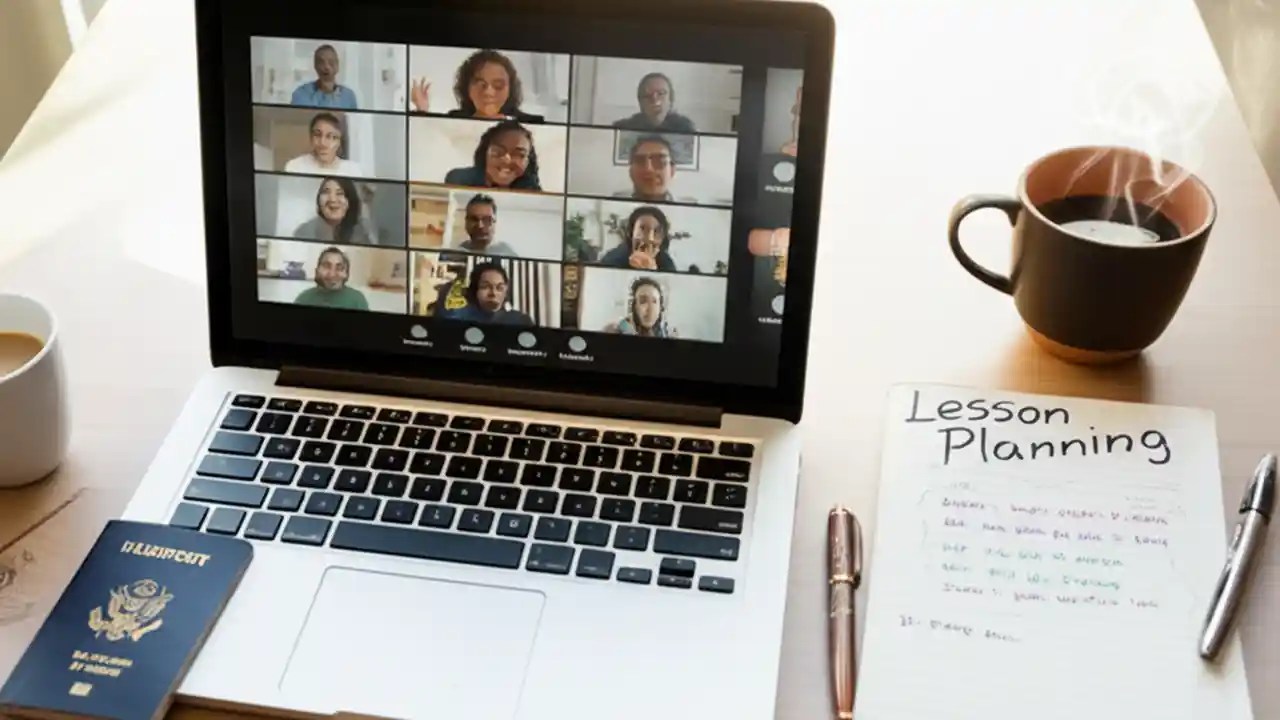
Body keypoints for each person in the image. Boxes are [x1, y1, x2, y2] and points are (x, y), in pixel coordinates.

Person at [410, 49, 545, 122]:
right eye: (481, 84)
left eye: (498, 85)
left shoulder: (532, 123)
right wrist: (422, 111)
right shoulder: (454, 119)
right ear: (467, 88)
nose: (489, 92)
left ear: (510, 89)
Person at [444, 121, 542, 190]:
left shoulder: (532, 189)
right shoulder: (460, 179)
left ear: (528, 162)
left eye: (519, 154)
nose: (507, 160)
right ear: (485, 154)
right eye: (498, 151)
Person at [437, 262, 533, 325]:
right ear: (474, 289)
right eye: (486, 287)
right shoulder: (454, 317)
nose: (493, 293)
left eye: (499, 288)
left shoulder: (521, 321)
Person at [293, 177, 373, 244]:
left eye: (340, 193)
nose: (332, 199)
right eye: (326, 192)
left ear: (350, 201)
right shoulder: (304, 232)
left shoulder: (362, 231)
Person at [284, 112, 365, 177]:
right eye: (317, 135)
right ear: (311, 138)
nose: (323, 143)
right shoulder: (295, 166)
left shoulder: (353, 170)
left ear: (339, 142)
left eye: (330, 137)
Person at [599, 206, 676, 271]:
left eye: (657, 231)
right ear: (631, 232)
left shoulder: (666, 261)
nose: (650, 238)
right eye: (642, 229)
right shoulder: (612, 259)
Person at [613, 136, 688, 203]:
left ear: (672, 171)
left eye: (659, 162)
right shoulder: (615, 202)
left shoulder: (685, 208)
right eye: (640, 161)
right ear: (630, 171)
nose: (649, 169)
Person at [613, 73, 696, 133]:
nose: (654, 99)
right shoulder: (623, 128)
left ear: (670, 99)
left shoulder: (686, 128)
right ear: (640, 102)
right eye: (647, 95)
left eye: (661, 93)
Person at [294, 247, 369, 310]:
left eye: (339, 268)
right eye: (326, 266)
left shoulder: (357, 300)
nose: (332, 274)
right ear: (317, 271)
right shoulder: (304, 299)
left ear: (346, 273)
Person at [605, 277, 678, 337]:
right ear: (634, 306)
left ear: (660, 307)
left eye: (654, 301)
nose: (650, 309)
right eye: (643, 301)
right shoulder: (616, 330)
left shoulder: (668, 333)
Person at [291, 44, 358, 109]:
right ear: (315, 66)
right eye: (321, 62)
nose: (326, 67)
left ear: (337, 66)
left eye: (331, 62)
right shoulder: (301, 93)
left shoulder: (348, 96)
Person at [781, 84, 802, 156]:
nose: (799, 98)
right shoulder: (795, 108)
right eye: (798, 96)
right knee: (784, 149)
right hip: (794, 139)